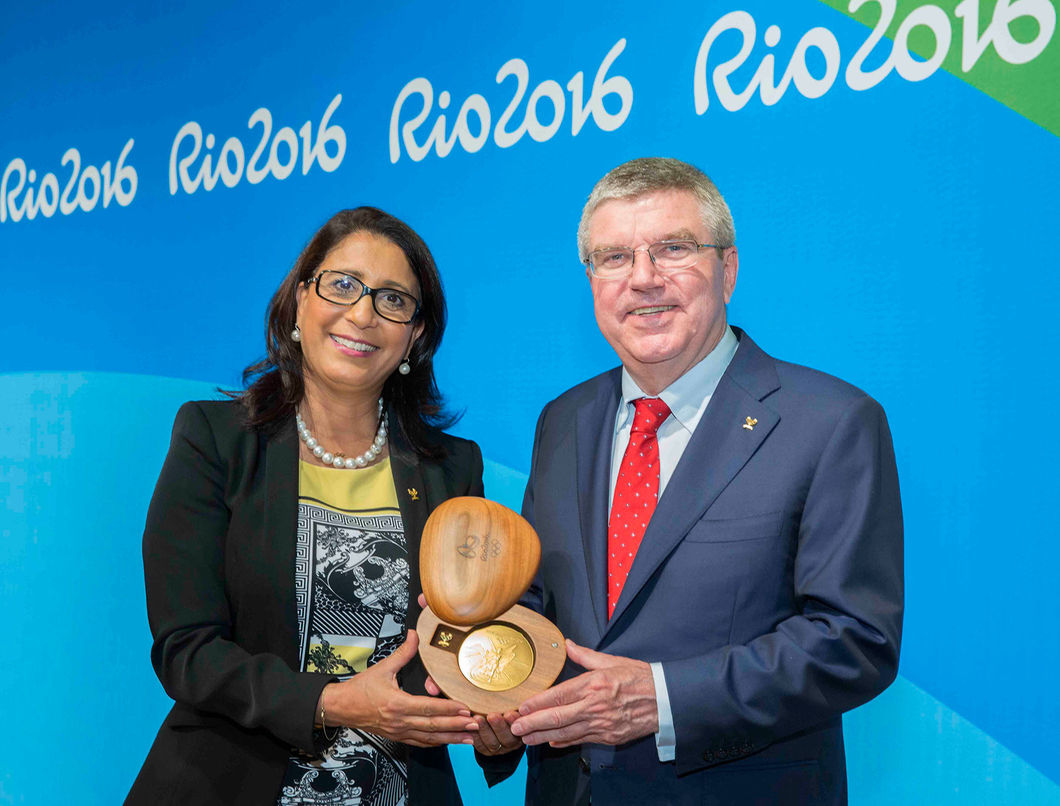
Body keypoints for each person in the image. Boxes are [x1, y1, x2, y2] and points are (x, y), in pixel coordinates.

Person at [506, 158, 903, 805]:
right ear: (591, 280)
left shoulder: (831, 421)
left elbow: (855, 639)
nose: (643, 278)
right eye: (613, 257)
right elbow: (544, 601)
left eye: (673, 248)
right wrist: (486, 672)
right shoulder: (564, 419)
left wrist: (660, 699)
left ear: (729, 269)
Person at [127, 207, 518, 806]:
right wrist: (330, 702)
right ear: (299, 302)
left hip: (400, 787)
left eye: (393, 300)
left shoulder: (452, 468)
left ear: (415, 335)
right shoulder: (215, 439)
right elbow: (187, 650)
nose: (362, 314)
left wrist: (495, 724)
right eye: (342, 285)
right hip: (229, 781)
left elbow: (461, 643)